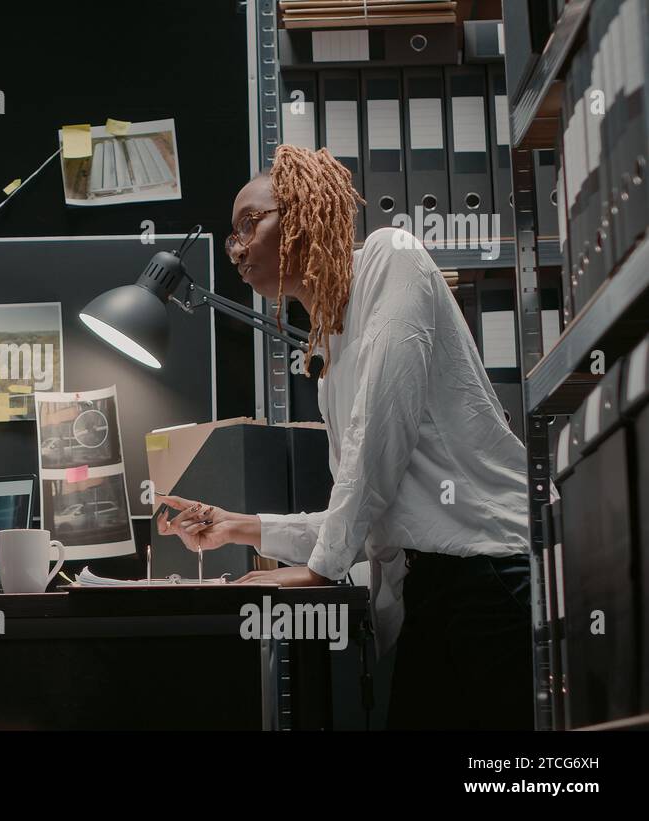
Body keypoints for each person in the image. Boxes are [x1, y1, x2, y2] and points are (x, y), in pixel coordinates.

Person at [157, 144, 534, 730]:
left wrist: (321, 568)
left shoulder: (392, 257)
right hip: (434, 583)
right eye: (232, 236)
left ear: (306, 211)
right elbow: (362, 513)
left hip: (491, 569)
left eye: (248, 224)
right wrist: (238, 527)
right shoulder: (328, 347)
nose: (236, 248)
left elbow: (381, 433)